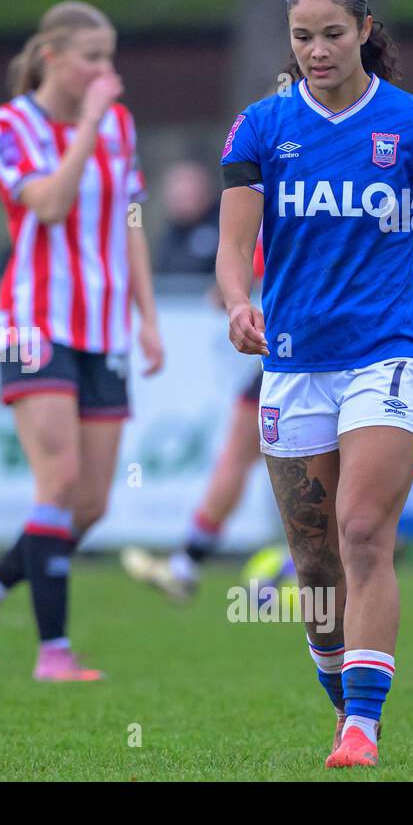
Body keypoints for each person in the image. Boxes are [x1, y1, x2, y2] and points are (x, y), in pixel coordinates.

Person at [217, 0, 413, 767]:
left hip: (389, 356)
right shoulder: (259, 128)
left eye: (332, 33)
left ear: (364, 29)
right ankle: (345, 701)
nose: (317, 50)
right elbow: (234, 251)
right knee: (315, 562)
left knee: (364, 532)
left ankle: (363, 726)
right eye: (303, 37)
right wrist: (238, 304)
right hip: (295, 365)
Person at [0, 1, 164, 682]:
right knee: (60, 480)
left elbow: (129, 221)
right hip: (36, 322)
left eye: (111, 57)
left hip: (102, 326)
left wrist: (148, 316)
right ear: (53, 58)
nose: (107, 72)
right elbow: (48, 203)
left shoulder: (122, 124)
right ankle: (54, 653)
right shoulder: (9, 123)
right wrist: (90, 127)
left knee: (92, 502)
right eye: (92, 58)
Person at [122, 233, 266, 598]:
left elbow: (241, 269)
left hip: (293, 354)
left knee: (237, 457)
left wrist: (227, 296)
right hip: (338, 350)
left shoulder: (284, 190)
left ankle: (186, 564)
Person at [154, 160, 222, 275]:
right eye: (176, 197)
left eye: (186, 196)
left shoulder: (223, 225)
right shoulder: (171, 233)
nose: (180, 204)